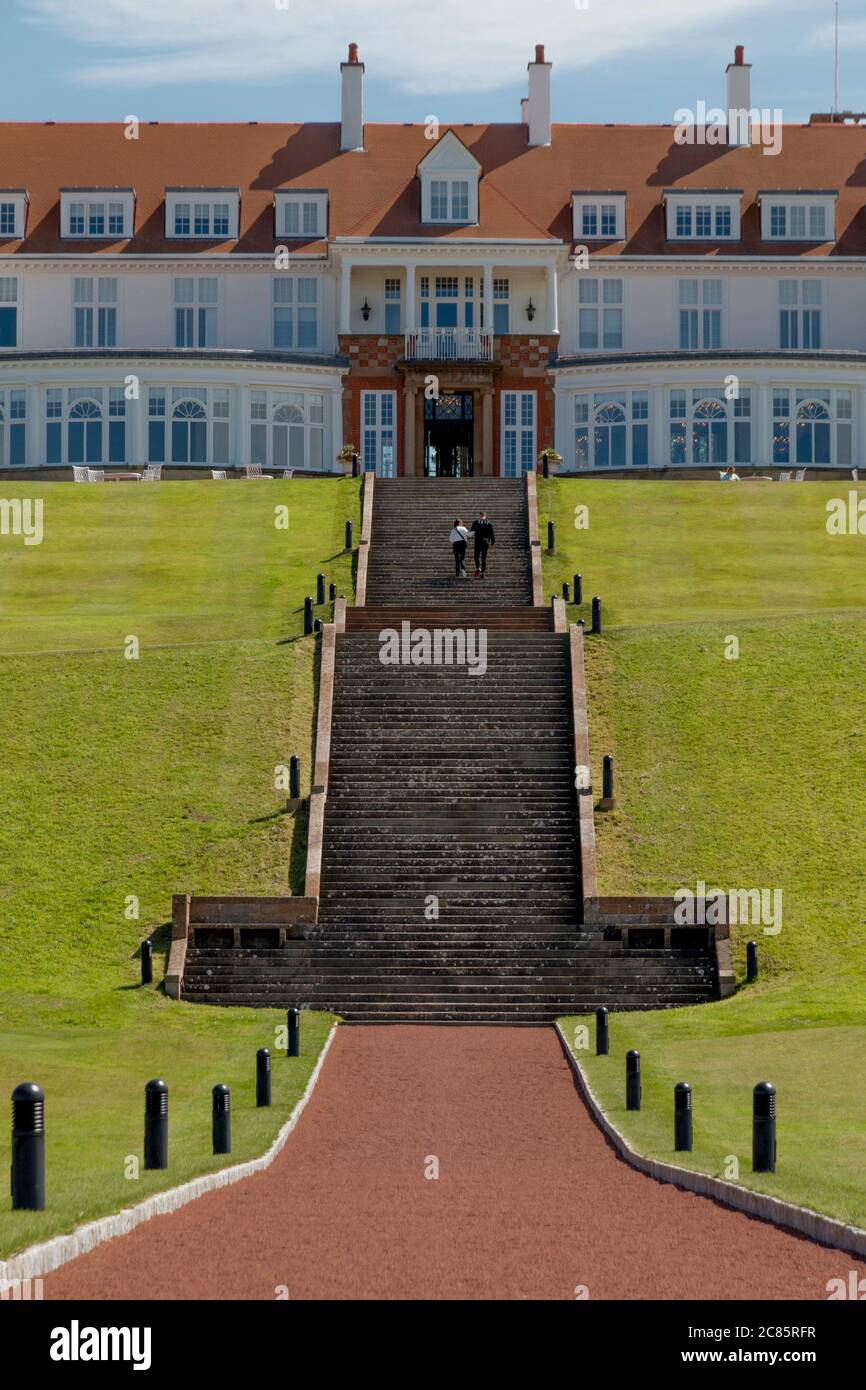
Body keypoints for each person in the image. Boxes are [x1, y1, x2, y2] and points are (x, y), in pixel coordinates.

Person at [470, 510, 496, 578]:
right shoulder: (488, 523)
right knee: (482, 557)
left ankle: (479, 568)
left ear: (480, 515)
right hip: (484, 542)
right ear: (485, 515)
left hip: (479, 541)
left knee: (477, 556)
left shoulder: (476, 522)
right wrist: (493, 542)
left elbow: (472, 531)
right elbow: (492, 534)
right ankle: (482, 572)